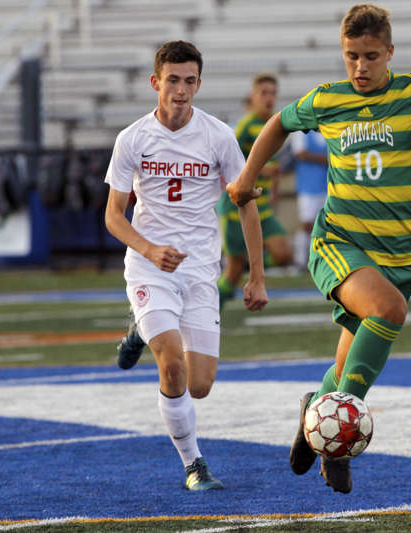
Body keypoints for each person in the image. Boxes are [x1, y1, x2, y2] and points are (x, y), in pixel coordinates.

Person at [226, 4, 411, 494]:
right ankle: (340, 418)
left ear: (389, 52)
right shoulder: (327, 100)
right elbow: (278, 125)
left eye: (370, 56)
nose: (360, 67)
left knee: (350, 360)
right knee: (388, 311)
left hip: (399, 256)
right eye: (351, 56)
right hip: (340, 243)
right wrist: (246, 179)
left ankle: (319, 409)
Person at [104, 41, 268, 490]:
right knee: (172, 368)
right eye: (172, 80)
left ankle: (139, 331)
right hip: (149, 269)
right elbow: (113, 216)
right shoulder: (132, 139)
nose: (181, 89)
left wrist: (256, 275)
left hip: (199, 273)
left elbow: (245, 206)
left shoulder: (218, 136)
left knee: (199, 385)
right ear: (156, 82)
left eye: (189, 80)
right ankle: (195, 465)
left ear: (199, 83)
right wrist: (150, 249)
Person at [217, 74, 292, 310]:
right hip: (238, 208)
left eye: (273, 93)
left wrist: (274, 189)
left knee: (283, 255)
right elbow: (230, 164)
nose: (269, 98)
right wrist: (260, 170)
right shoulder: (246, 126)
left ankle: (250, 264)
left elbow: (275, 168)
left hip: (263, 208)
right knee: (233, 271)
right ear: (253, 97)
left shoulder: (276, 125)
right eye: (264, 93)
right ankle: (209, 315)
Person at [288, 129, 329, 270]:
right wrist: (324, 159)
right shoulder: (302, 132)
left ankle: (321, 260)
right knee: (307, 224)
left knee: (326, 225)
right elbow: (299, 153)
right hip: (308, 186)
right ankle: (300, 260)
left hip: (327, 185)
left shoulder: (328, 130)